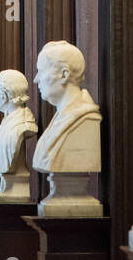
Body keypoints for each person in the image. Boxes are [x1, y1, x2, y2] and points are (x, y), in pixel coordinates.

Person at [32, 41, 101, 173]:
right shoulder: (61, 116)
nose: (36, 79)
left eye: (41, 71)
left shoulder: (86, 120)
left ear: (64, 75)